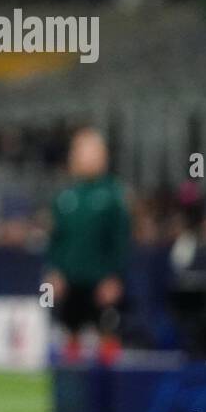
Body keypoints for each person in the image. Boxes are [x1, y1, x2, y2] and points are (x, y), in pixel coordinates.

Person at [44, 128, 131, 364]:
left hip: (101, 282)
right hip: (71, 282)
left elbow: (120, 240)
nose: (84, 156)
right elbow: (56, 240)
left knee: (107, 335)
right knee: (69, 335)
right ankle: (70, 385)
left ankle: (109, 383)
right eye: (79, 151)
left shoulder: (113, 195)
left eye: (90, 150)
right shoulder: (65, 197)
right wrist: (54, 272)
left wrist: (114, 276)